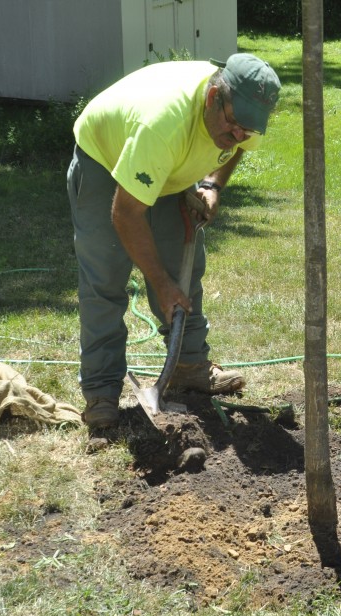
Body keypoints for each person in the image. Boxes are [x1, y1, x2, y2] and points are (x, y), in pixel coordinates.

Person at [68, 53, 281, 433]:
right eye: (232, 125)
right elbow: (125, 214)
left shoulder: (243, 114)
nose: (238, 136)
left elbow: (239, 148)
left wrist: (212, 183)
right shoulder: (162, 125)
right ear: (213, 96)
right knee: (106, 276)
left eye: (247, 131)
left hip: (167, 166)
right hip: (105, 157)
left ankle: (188, 367)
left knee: (184, 269)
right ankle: (101, 391)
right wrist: (160, 285)